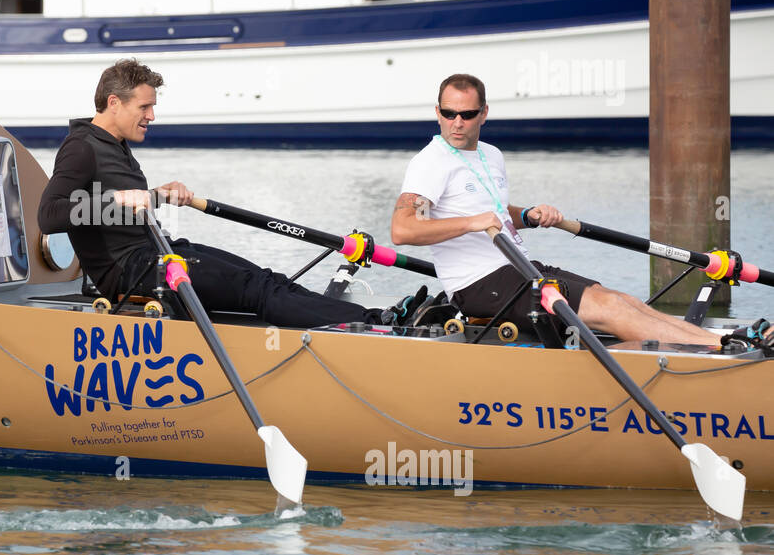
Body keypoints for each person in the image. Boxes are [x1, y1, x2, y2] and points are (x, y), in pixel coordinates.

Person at [38, 59, 381, 329]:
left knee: (266, 279)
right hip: (131, 272)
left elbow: (124, 204)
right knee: (255, 289)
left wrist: (157, 194)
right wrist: (120, 199)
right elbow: (49, 215)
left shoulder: (115, 144)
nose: (151, 116)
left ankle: (372, 319)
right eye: (144, 107)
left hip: (158, 252)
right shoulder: (81, 148)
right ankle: (370, 326)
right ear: (114, 103)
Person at [390, 73, 716, 345]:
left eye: (467, 114)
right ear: (437, 112)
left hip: (519, 267)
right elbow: (404, 228)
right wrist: (469, 223)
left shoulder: (491, 156)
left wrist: (528, 215)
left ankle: (721, 342)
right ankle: (715, 349)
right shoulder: (431, 164)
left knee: (617, 298)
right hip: (477, 283)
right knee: (605, 309)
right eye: (449, 114)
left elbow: (493, 210)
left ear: (484, 113)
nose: (457, 123)